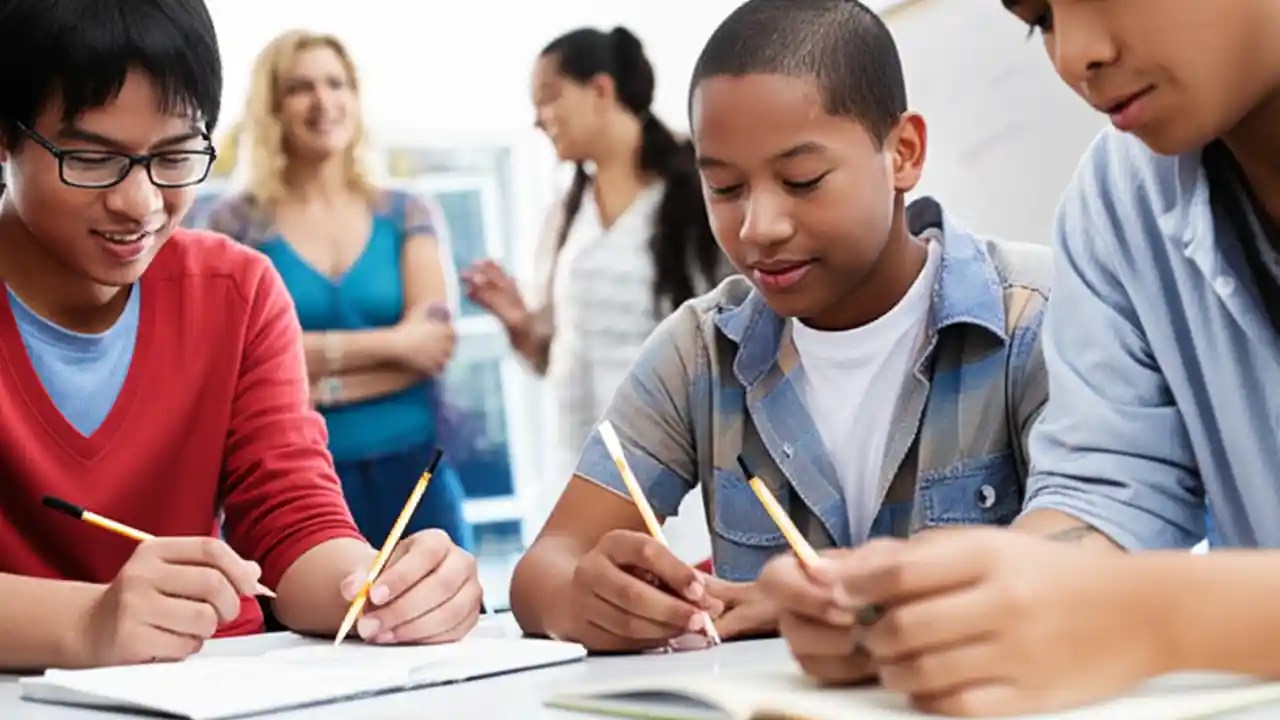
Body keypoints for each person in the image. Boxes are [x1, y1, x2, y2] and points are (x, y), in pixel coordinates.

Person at [758, 0, 1280, 715]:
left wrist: (1154, 617)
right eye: (1041, 20)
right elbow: (1108, 496)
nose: (1075, 56)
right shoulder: (1117, 202)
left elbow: (1124, 600)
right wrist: (932, 605)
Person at [508, 0, 1052, 654]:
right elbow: (543, 569)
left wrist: (839, 595)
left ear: (903, 153)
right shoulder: (700, 352)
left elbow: (1093, 549)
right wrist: (586, 599)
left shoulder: (1034, 318)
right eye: (725, 189)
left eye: (802, 180)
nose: (758, 227)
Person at [0, 0, 481, 671]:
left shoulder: (237, 290)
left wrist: (380, 591)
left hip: (211, 689)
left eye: (175, 156)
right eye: (91, 158)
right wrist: (85, 623)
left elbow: (293, 522)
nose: (140, 204)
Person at [459, 27, 725, 551]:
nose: (539, 118)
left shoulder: (695, 198)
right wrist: (521, 326)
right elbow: (553, 355)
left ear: (601, 90)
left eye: (549, 96)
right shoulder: (565, 216)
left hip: (680, 476)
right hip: (578, 469)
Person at [207, 31, 472, 552]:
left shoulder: (408, 211)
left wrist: (309, 377)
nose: (323, 101)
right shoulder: (235, 223)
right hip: (289, 481)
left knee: (437, 602)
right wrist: (395, 345)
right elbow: (236, 360)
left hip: (416, 477)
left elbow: (433, 345)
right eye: (300, 88)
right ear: (272, 107)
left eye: (336, 83)